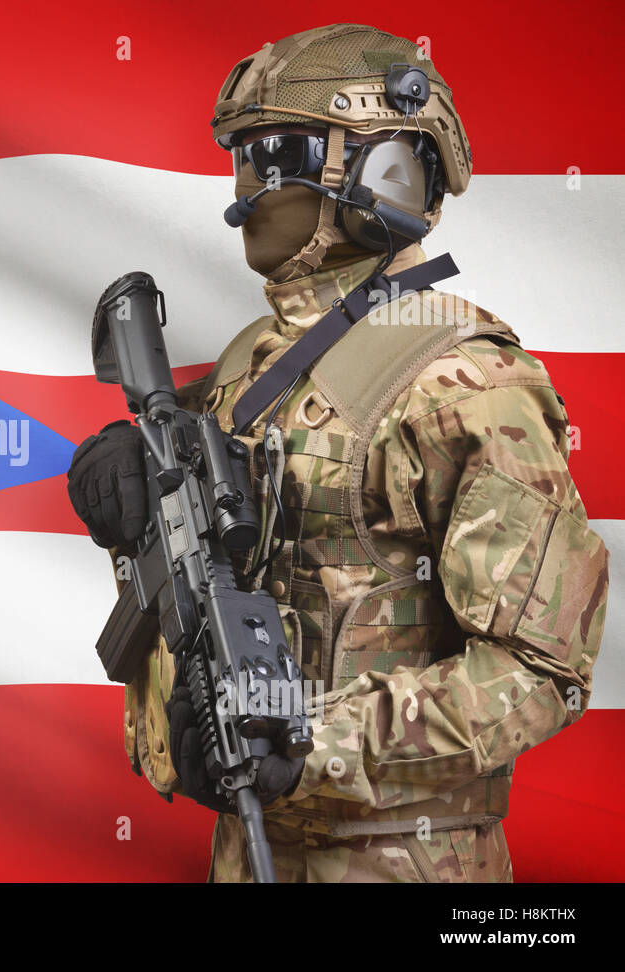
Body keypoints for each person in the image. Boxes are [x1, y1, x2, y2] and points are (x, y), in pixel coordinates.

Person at [67, 23, 609, 882]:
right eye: (243, 155)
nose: (247, 185)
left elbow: (540, 670)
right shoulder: (254, 359)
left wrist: (311, 741)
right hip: (248, 851)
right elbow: (224, 578)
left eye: (273, 150)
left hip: (407, 864)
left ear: (378, 169)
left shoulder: (465, 380)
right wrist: (130, 498)